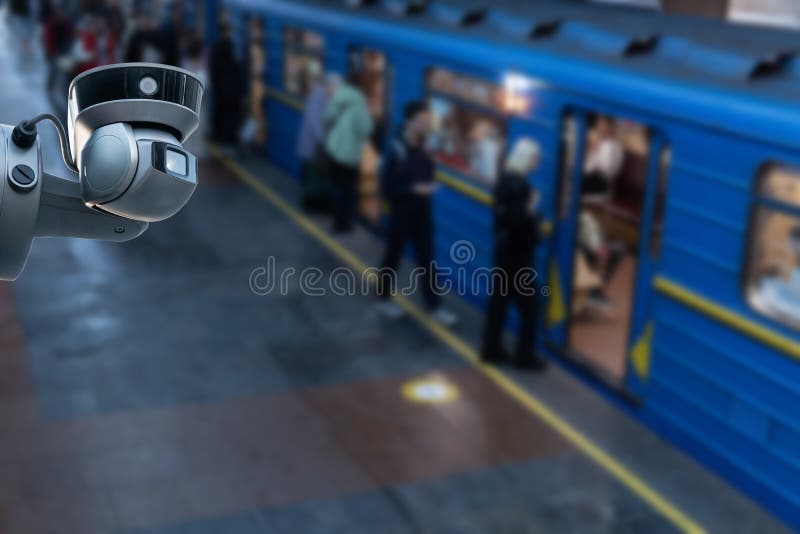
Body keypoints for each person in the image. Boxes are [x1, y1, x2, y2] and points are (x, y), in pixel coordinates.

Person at [376, 102, 458, 327]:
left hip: (422, 213)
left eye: (428, 121)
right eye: (423, 121)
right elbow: (387, 188)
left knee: (427, 261)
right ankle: (383, 298)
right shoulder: (396, 149)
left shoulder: (425, 148)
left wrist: (429, 183)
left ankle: (435, 307)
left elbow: (429, 175)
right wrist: (413, 189)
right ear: (410, 122)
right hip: (401, 213)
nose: (428, 125)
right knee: (393, 256)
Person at [481, 138, 547, 371]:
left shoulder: (503, 180)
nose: (538, 162)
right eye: (536, 158)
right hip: (519, 257)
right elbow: (519, 222)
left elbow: (503, 217)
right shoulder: (522, 187)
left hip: (503, 252)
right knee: (531, 308)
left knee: (498, 303)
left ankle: (490, 349)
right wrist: (532, 207)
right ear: (528, 159)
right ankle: (524, 356)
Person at [324, 72, 373, 233]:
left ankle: (336, 218)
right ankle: (343, 223)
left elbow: (327, 117)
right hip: (349, 153)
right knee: (348, 189)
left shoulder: (337, 97)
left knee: (337, 186)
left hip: (333, 149)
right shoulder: (360, 103)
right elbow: (366, 128)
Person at [298, 71, 339, 212]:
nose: (335, 92)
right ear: (329, 85)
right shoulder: (317, 97)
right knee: (314, 176)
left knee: (322, 175)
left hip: (321, 146)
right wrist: (324, 139)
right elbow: (313, 122)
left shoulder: (327, 97)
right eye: (334, 88)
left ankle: (320, 203)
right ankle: (311, 203)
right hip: (314, 146)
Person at [209, 22, 245, 147]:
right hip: (230, 87)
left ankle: (218, 135)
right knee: (231, 114)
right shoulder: (230, 47)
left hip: (221, 86)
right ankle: (229, 138)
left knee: (220, 111)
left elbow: (214, 69)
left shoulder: (216, 47)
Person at [583, 115, 624, 195]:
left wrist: (595, 150)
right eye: (599, 125)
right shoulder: (600, 142)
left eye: (604, 126)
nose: (600, 129)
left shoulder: (611, 145)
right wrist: (590, 149)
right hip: (592, 177)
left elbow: (606, 171)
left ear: (611, 127)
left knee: (575, 180)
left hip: (602, 182)